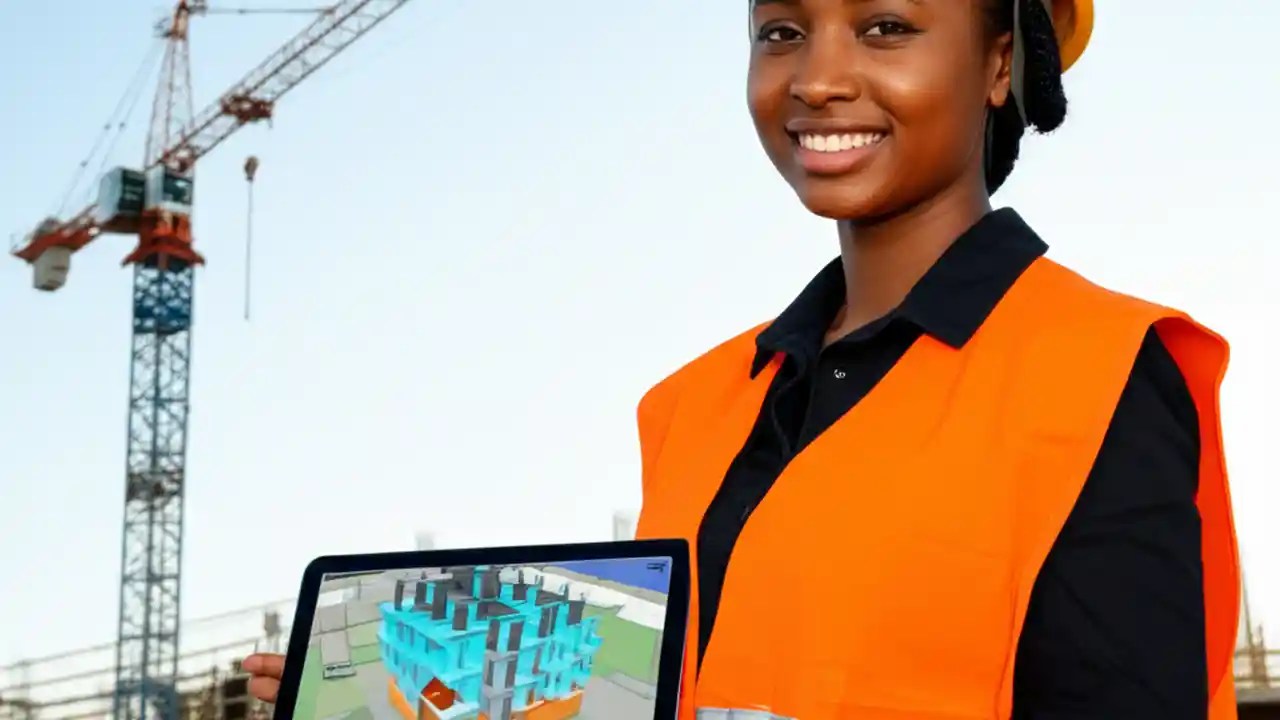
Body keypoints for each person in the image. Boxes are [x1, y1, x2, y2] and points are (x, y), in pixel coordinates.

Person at [244, 0, 1241, 718]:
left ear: (998, 63)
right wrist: (411, 694)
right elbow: (660, 691)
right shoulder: (695, 404)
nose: (815, 78)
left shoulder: (1100, 368)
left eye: (884, 26)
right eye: (780, 32)